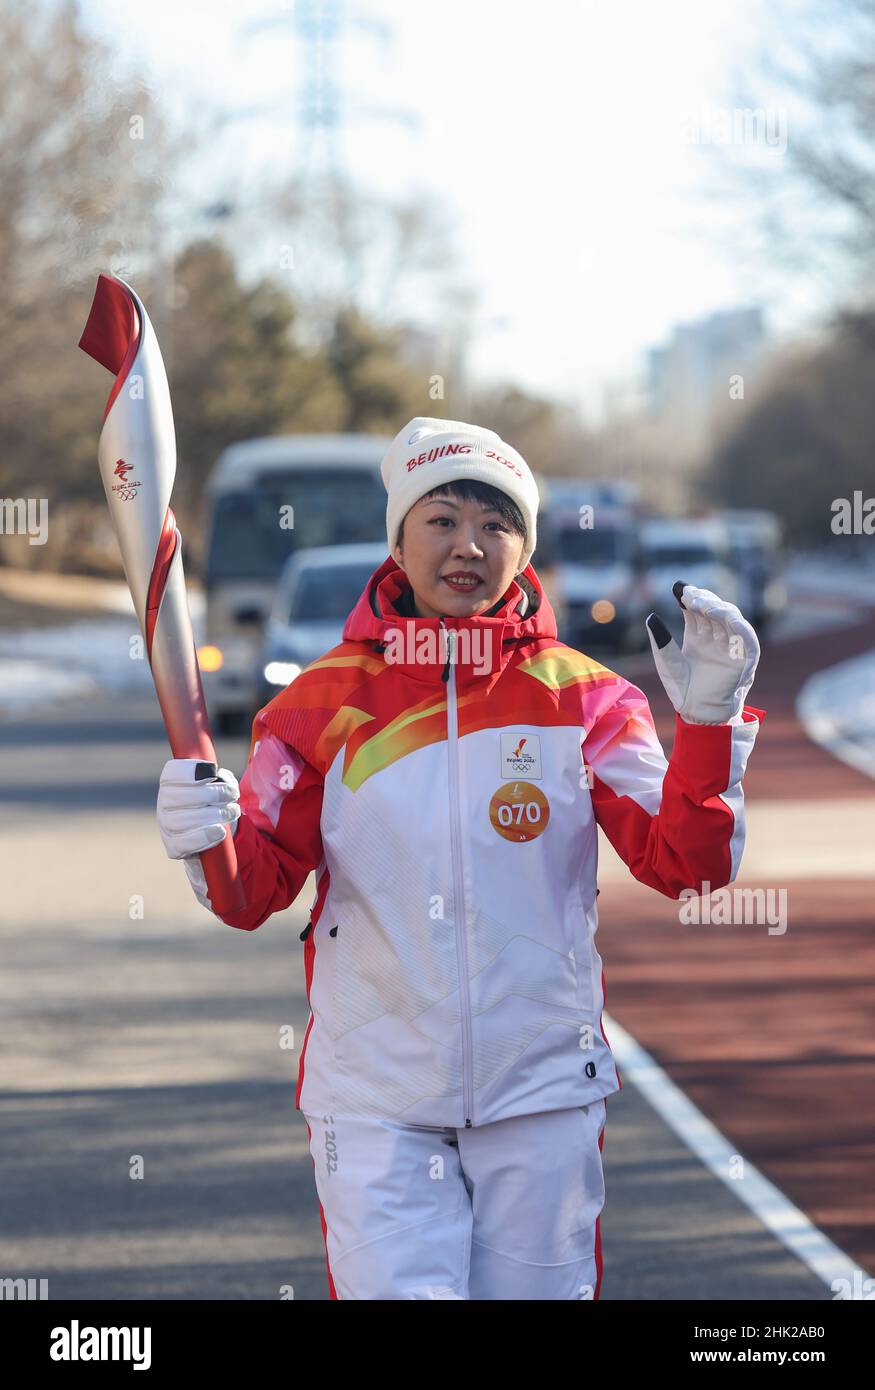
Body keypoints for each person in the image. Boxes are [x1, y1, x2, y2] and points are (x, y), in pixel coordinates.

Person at [157, 416, 765, 1300]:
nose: (467, 547)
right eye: (440, 520)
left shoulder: (587, 699)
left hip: (541, 1095)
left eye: (495, 524)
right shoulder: (320, 706)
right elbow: (250, 891)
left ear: (524, 547)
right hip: (373, 1098)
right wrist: (203, 837)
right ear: (398, 538)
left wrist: (707, 732)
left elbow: (689, 867)